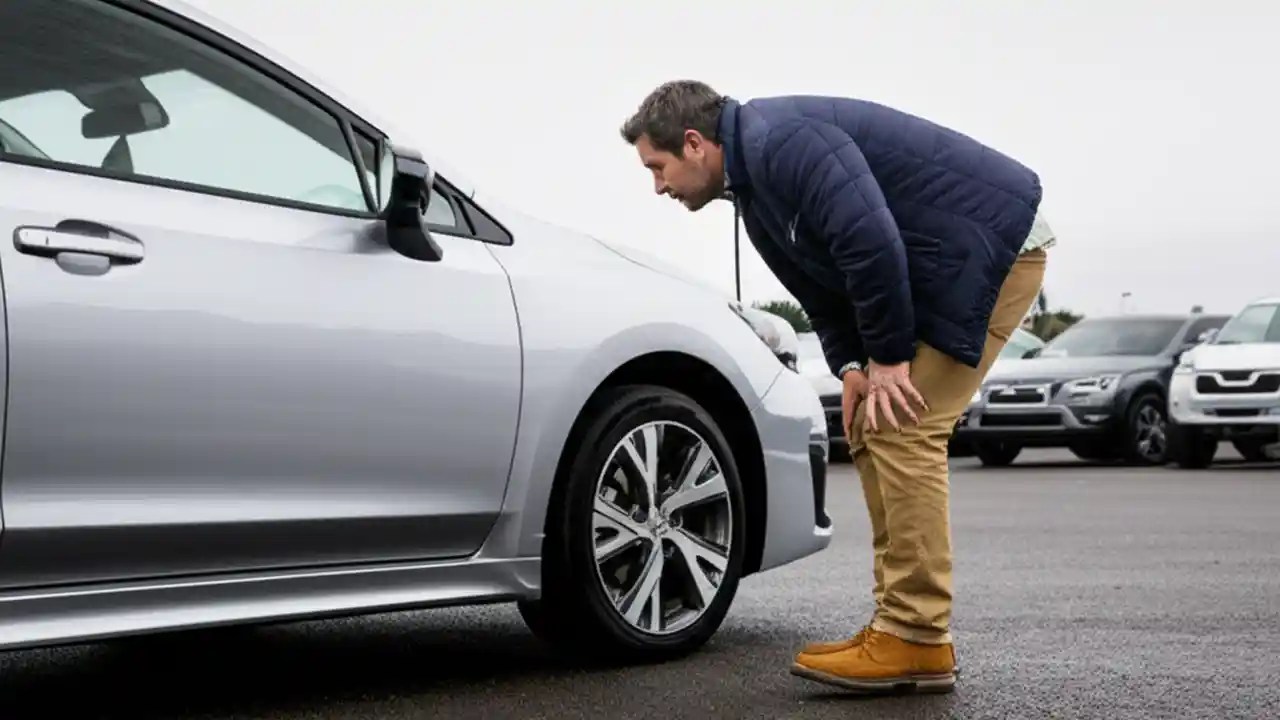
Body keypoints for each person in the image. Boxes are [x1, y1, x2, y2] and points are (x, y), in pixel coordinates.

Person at [619, 80, 1053, 694]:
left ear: (694, 143)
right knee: (873, 424)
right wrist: (852, 366)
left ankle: (916, 636)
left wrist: (890, 358)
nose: (658, 187)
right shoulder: (755, 184)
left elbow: (868, 242)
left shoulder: (782, 145)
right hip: (943, 258)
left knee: (903, 426)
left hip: (991, 244)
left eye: (657, 168)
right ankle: (898, 627)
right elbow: (819, 286)